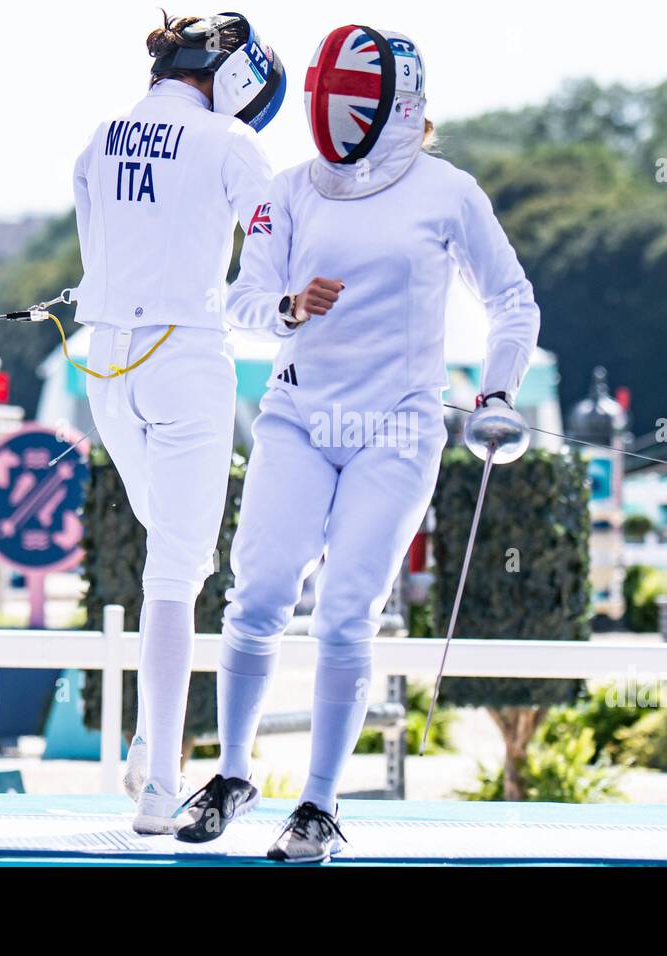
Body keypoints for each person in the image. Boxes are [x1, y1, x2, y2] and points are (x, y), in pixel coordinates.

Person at [168, 24, 541, 862]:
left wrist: (497, 390)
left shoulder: (449, 192)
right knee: (257, 597)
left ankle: (320, 806)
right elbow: (245, 300)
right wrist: (293, 308)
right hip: (300, 417)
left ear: (396, 107)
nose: (334, 118)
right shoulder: (290, 190)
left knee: (345, 617)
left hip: (397, 429)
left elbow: (512, 301)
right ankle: (230, 776)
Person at [70, 11, 285, 834]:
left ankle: (147, 745)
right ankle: (160, 784)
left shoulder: (100, 136)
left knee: (168, 540)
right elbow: (275, 248)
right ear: (231, 75)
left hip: (104, 365)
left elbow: (99, 247)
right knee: (177, 573)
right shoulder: (229, 144)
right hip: (187, 356)